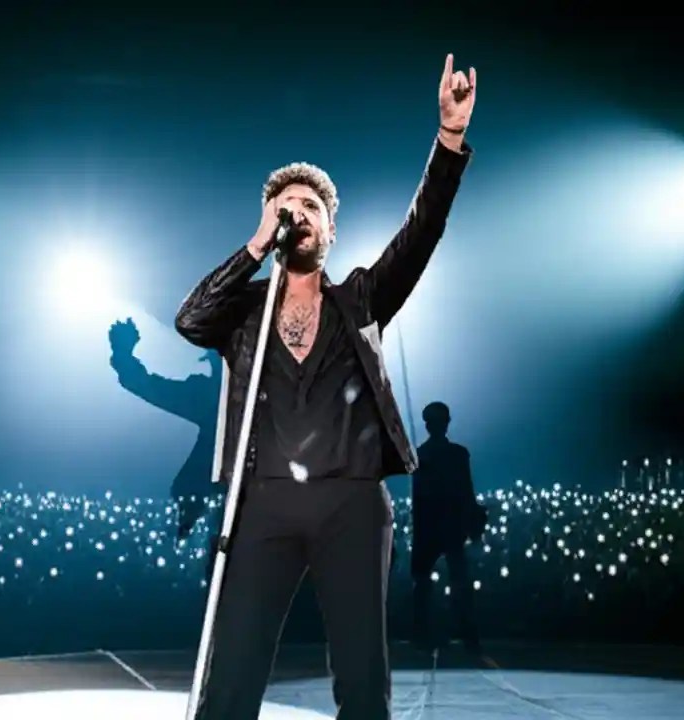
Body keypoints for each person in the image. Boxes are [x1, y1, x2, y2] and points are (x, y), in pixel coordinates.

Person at [175, 54, 477, 720]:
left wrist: (449, 142)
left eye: (309, 205)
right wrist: (254, 246)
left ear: (330, 228)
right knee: (230, 678)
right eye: (283, 208)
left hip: (352, 502)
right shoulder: (243, 310)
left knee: (364, 681)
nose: (296, 214)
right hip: (263, 502)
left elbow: (421, 233)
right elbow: (190, 321)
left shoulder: (363, 298)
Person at [107, 318, 223, 543]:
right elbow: (147, 385)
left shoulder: (208, 397)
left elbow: (147, 386)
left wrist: (122, 354)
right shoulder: (208, 396)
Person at [410, 401, 482, 654]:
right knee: (459, 582)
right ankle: (467, 633)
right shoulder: (456, 454)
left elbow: (419, 501)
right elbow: (467, 492)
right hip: (450, 527)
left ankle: (423, 633)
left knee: (425, 585)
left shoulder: (420, 455)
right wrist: (472, 523)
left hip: (431, 528)